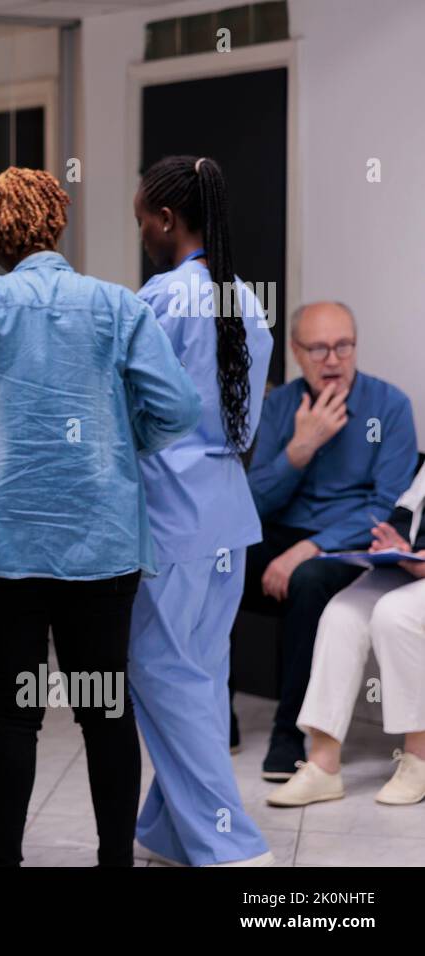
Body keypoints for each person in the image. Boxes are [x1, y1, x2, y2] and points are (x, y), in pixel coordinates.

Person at [0, 167, 200, 867]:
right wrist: (128, 443)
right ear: (56, 224)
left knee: (10, 710)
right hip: (100, 543)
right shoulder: (118, 307)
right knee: (104, 708)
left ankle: (2, 862)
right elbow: (179, 409)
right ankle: (114, 863)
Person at [126, 155, 274, 866]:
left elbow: (132, 409)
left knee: (159, 671)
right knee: (204, 675)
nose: (144, 234)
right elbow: (245, 429)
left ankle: (233, 848)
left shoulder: (159, 298)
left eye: (142, 220)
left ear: (165, 218)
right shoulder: (247, 300)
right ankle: (169, 834)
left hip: (170, 516)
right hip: (226, 514)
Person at [239, 300, 416, 780]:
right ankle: (218, 709)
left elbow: (387, 508)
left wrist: (308, 548)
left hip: (348, 545)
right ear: (296, 352)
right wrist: (300, 449)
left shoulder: (390, 407)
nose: (332, 360)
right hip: (282, 532)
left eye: (342, 346)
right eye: (318, 349)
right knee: (219, 555)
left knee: (312, 578)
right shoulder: (279, 405)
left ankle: (288, 732)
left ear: (355, 348)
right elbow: (251, 505)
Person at [267, 461, 425, 808]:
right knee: (342, 614)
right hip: (410, 568)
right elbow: (407, 510)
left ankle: (418, 757)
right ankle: (323, 764)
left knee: (394, 615)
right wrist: (394, 544)